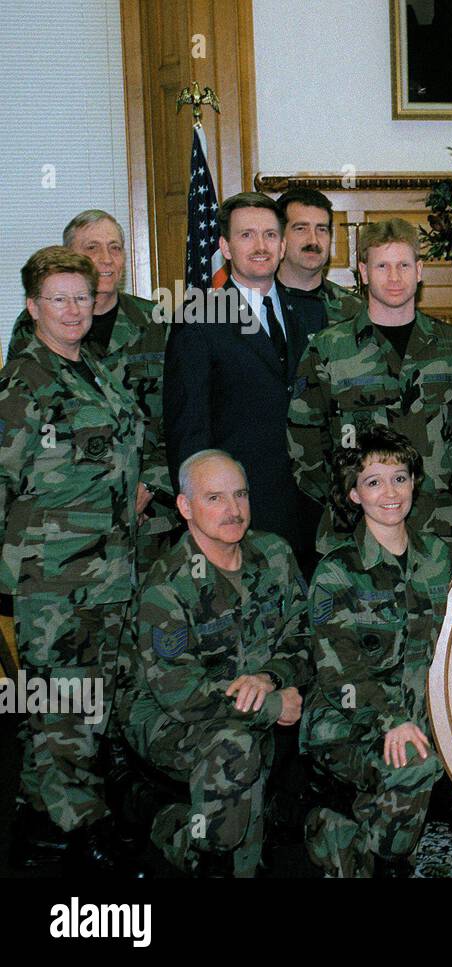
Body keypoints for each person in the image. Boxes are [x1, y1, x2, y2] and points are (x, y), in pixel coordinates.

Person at [0, 247, 145, 873]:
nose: (73, 310)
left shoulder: (93, 368)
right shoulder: (22, 383)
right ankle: (75, 832)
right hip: (50, 578)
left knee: (90, 701)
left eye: (82, 297)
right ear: (33, 307)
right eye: (58, 299)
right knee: (60, 705)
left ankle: (45, 820)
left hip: (108, 570)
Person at [121, 450, 310, 877]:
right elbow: (183, 696)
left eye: (240, 495)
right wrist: (272, 704)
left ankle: (240, 833)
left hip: (247, 695)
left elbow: (304, 635)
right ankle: (167, 823)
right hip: (163, 712)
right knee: (235, 747)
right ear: (185, 507)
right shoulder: (168, 586)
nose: (233, 510)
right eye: (214, 498)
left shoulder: (274, 553)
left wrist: (270, 676)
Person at [301, 427, 452, 877]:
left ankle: (351, 828)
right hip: (349, 716)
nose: (391, 492)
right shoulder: (337, 572)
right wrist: (392, 721)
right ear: (354, 494)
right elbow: (339, 673)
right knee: (416, 762)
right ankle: (385, 863)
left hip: (418, 710)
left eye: (400, 478)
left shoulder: (439, 559)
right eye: (374, 482)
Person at [164, 191, 327, 571]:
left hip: (315, 511)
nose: (260, 246)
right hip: (241, 511)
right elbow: (188, 429)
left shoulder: (312, 313)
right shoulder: (199, 318)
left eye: (270, 235)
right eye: (246, 235)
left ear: (283, 244)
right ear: (224, 246)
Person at [7, 210, 176, 576]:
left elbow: (180, 413)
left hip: (148, 519)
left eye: (115, 247)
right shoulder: (36, 326)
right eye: (92, 248)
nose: (105, 258)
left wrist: (149, 483)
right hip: (66, 530)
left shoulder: (157, 321)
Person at [288, 218, 452, 558]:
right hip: (356, 531)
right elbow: (303, 439)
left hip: (441, 527)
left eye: (403, 265)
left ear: (420, 270)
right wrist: (348, 495)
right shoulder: (329, 348)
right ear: (364, 272)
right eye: (382, 266)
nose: (394, 277)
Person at [274, 187, 365, 324]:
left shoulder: (356, 310)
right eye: (301, 229)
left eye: (322, 229)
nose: (313, 240)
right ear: (279, 237)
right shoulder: (254, 307)